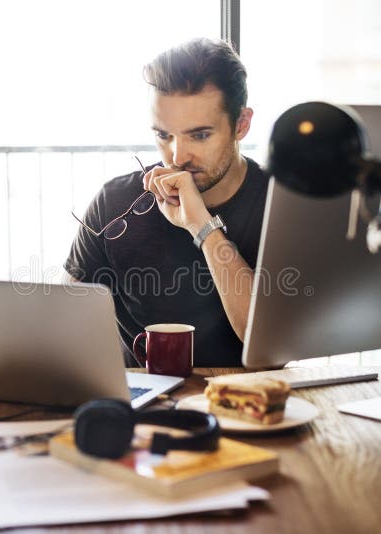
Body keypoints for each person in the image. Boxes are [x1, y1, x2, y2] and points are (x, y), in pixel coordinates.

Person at [65, 38, 268, 367]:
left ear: (241, 125)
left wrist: (202, 226)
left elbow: (266, 347)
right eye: (163, 135)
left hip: (244, 394)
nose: (178, 156)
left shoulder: (276, 204)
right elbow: (64, 325)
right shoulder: (116, 202)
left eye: (199, 135)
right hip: (141, 395)